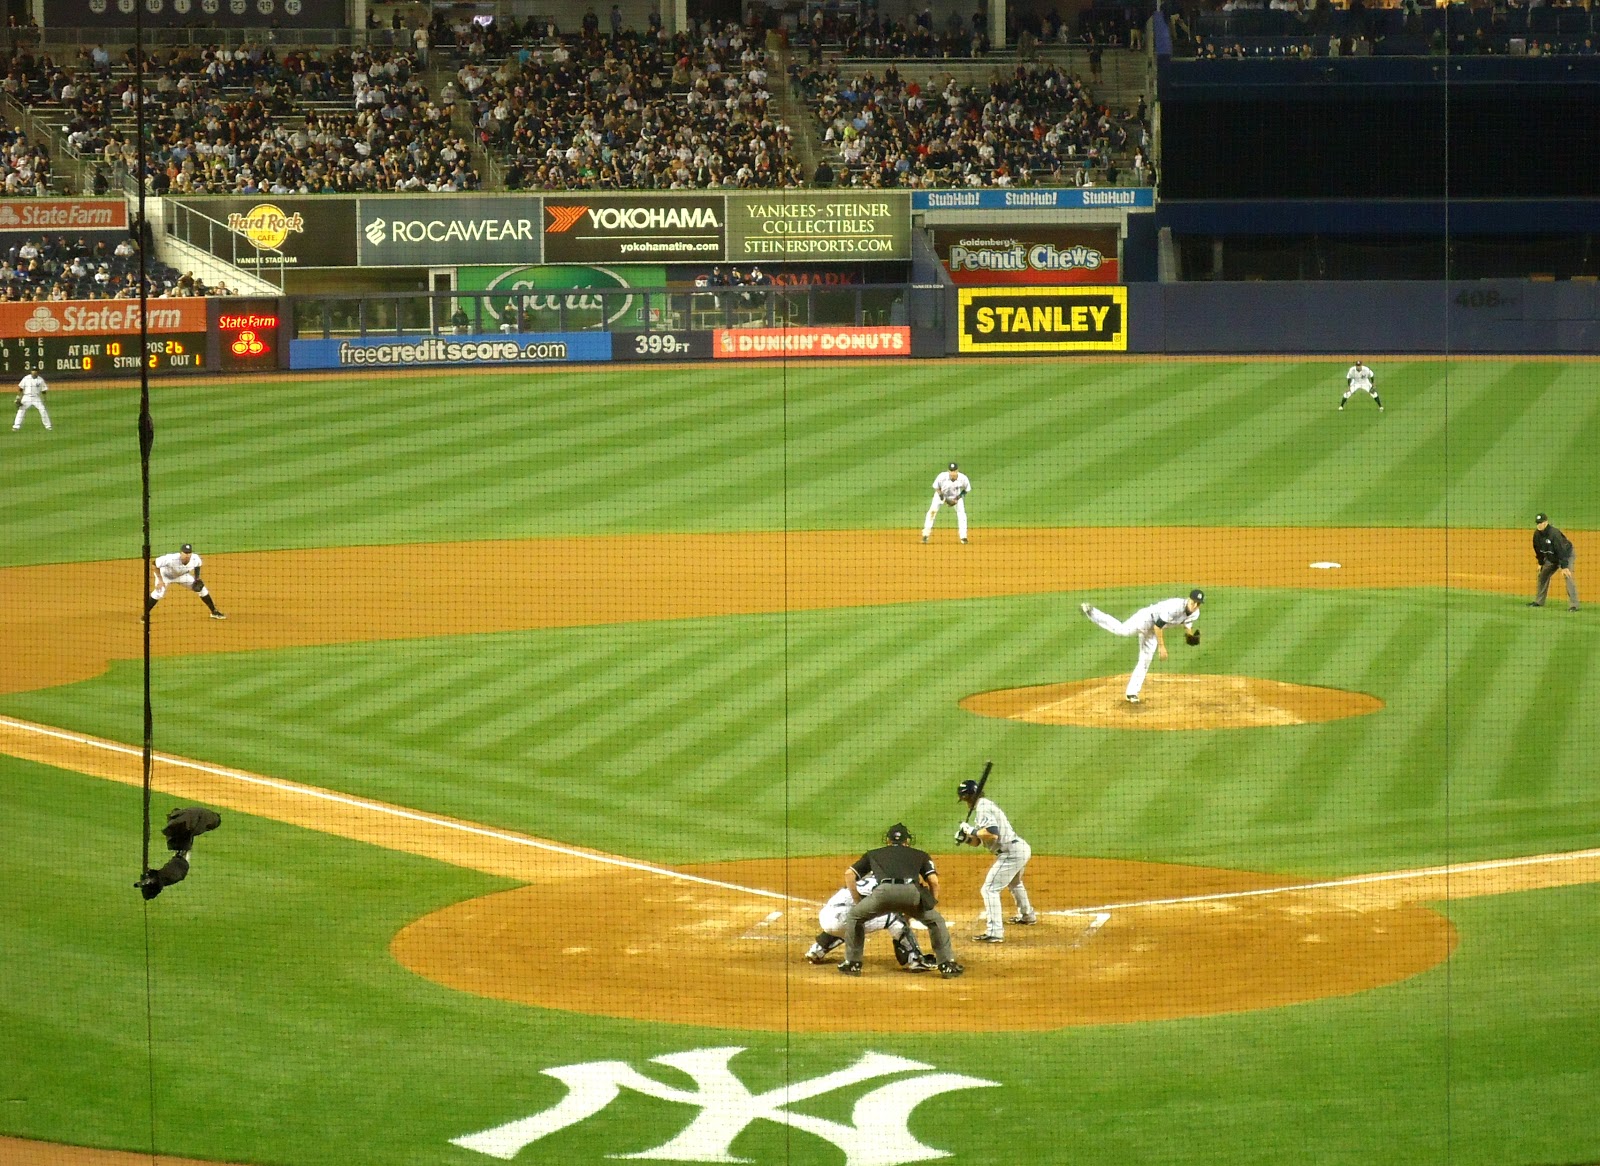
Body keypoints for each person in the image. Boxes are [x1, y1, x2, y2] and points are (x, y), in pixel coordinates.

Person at [836, 823, 963, 978]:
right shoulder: (920, 854)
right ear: (907, 841)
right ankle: (947, 964)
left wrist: (858, 901)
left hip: (883, 894)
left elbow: (850, 874)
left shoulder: (874, 854)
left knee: (855, 917)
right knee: (936, 921)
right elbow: (934, 882)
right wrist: (930, 904)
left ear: (888, 841)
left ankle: (853, 964)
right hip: (912, 893)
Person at [1080, 589, 1205, 703]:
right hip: (1145, 619)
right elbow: (1158, 626)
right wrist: (1162, 647)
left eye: (1198, 604)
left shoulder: (1195, 613)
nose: (1195, 606)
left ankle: (1132, 693)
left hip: (1152, 631)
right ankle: (1091, 612)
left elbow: (1187, 624)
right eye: (1193, 602)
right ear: (1189, 599)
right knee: (1123, 630)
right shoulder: (1174, 606)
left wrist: (1189, 634)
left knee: (1145, 660)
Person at [955, 778, 1037, 943]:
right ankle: (1027, 915)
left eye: (965, 799)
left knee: (989, 889)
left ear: (970, 796)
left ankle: (995, 932)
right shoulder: (983, 807)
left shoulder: (983, 808)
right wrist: (966, 838)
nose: (965, 803)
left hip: (1011, 853)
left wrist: (971, 829)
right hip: (1017, 849)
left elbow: (992, 834)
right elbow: (978, 842)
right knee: (1014, 883)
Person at [803, 873, 935, 971]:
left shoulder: (869, 876)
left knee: (852, 921)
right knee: (894, 918)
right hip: (843, 920)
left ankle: (817, 950)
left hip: (826, 916)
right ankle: (915, 959)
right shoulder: (892, 884)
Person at [146, 543, 226, 621]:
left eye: (189, 553)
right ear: (181, 553)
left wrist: (197, 578)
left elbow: (198, 566)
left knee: (203, 590)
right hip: (165, 576)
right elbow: (154, 564)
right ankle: (145, 615)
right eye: (185, 553)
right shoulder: (170, 558)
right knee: (158, 593)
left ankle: (214, 612)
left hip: (182, 576)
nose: (187, 555)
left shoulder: (195, 558)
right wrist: (160, 580)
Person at [1529, 513, 1579, 611]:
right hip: (1552, 558)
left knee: (1567, 576)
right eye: (1538, 523)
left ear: (1546, 522)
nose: (1539, 525)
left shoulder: (1554, 534)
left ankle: (1574, 605)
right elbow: (1537, 549)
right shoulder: (1536, 535)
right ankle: (1539, 601)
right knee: (1542, 574)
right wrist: (1540, 563)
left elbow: (1561, 550)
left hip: (1566, 556)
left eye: (1541, 523)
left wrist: (1564, 567)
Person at [922, 461, 971, 543]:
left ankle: (963, 537)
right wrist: (945, 499)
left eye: (954, 471)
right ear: (948, 471)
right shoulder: (942, 476)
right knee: (932, 512)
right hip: (940, 495)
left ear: (957, 470)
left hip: (956, 496)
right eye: (951, 471)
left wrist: (956, 499)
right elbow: (937, 488)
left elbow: (966, 490)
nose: (953, 473)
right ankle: (925, 535)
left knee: (962, 514)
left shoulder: (963, 478)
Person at [13, 364, 50, 431]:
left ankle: (48, 426)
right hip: (26, 397)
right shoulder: (26, 378)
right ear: (31, 371)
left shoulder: (40, 380)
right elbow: (21, 388)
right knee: (21, 410)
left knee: (43, 410)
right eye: (33, 370)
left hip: (36, 398)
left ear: (37, 372)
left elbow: (43, 390)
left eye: (35, 370)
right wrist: (18, 397)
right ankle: (16, 426)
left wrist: (45, 399)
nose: (34, 372)